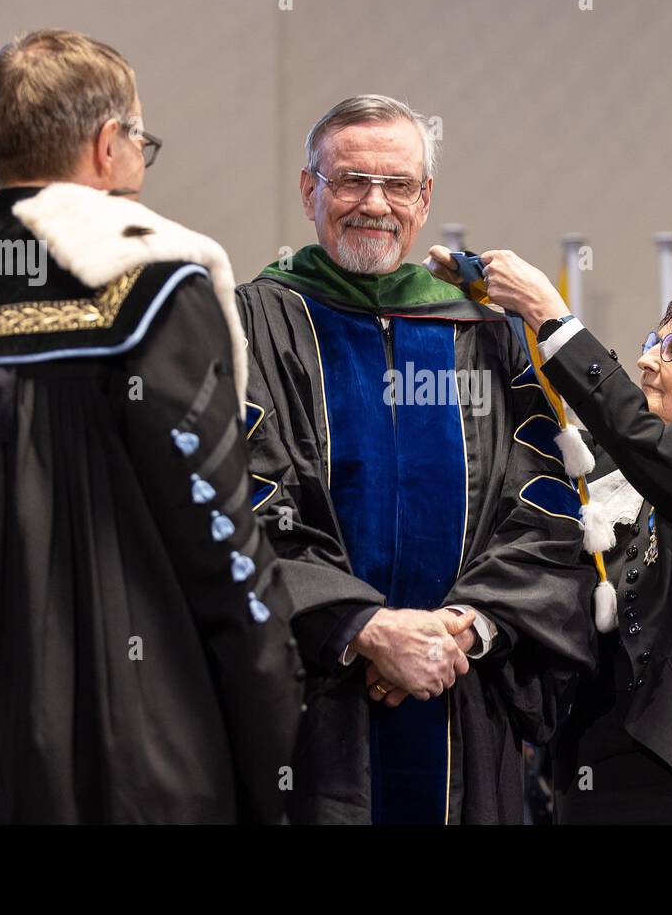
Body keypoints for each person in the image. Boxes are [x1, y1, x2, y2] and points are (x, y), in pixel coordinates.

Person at [0, 30, 301, 823]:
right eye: (141, 142)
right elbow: (223, 552)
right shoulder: (145, 288)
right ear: (108, 145)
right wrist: (275, 746)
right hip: (117, 772)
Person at [237, 95, 596, 824]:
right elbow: (245, 500)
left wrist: (460, 628)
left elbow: (545, 512)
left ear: (424, 199)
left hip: (459, 695)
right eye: (351, 181)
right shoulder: (253, 323)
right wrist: (364, 629)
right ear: (309, 190)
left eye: (397, 185)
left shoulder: (485, 335)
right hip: (314, 699)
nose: (375, 204)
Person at [429, 246, 672, 824]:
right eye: (652, 341)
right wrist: (472, 312)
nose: (648, 360)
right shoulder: (604, 467)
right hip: (587, 760)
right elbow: (535, 435)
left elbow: (638, 433)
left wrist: (552, 315)